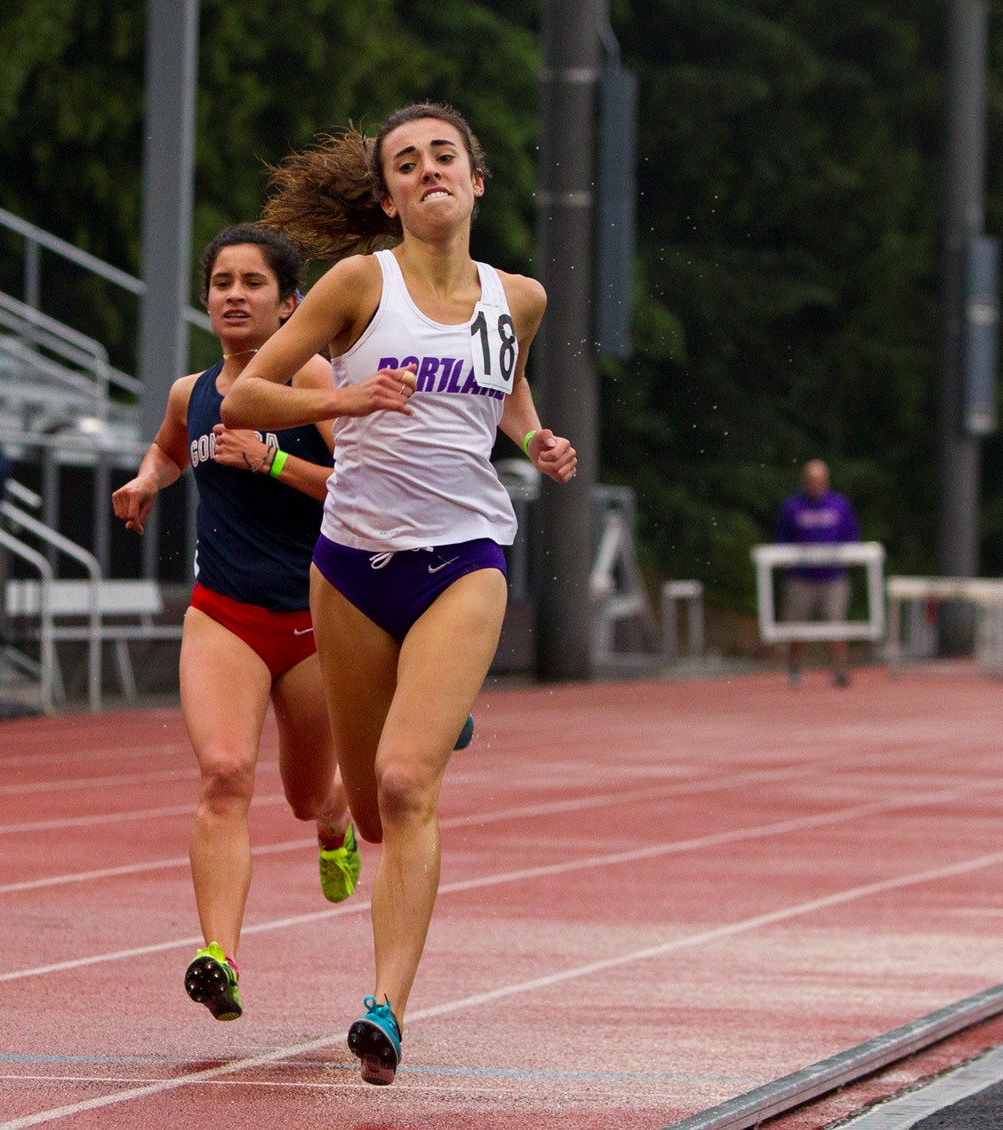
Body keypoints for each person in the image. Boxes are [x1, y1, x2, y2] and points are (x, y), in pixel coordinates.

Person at [226, 103, 578, 1085]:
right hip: (347, 564)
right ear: (386, 196)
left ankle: (383, 1006)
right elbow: (244, 397)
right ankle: (381, 767)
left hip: (462, 557)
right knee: (373, 811)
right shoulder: (355, 285)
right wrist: (336, 398)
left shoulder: (520, 298)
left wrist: (532, 437)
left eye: (444, 156)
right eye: (406, 161)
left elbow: (502, 383)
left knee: (407, 783)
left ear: (475, 182)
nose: (427, 169)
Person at [111, 224, 360, 1025]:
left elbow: (363, 490)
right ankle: (218, 954)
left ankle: (334, 823)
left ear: (291, 304)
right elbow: (171, 447)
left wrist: (275, 461)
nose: (234, 295)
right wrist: (147, 479)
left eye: (254, 283)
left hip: (315, 619)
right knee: (223, 774)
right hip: (223, 616)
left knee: (305, 794)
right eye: (222, 281)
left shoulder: (314, 378)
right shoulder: (193, 392)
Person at [774, 459, 861, 687]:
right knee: (797, 627)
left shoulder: (839, 504)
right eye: (812, 480)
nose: (816, 484)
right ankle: (794, 668)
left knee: (836, 623)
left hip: (833, 577)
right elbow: (782, 540)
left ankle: (840, 670)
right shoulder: (792, 506)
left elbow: (851, 537)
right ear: (805, 481)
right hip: (800, 578)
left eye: (820, 480)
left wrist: (851, 556)